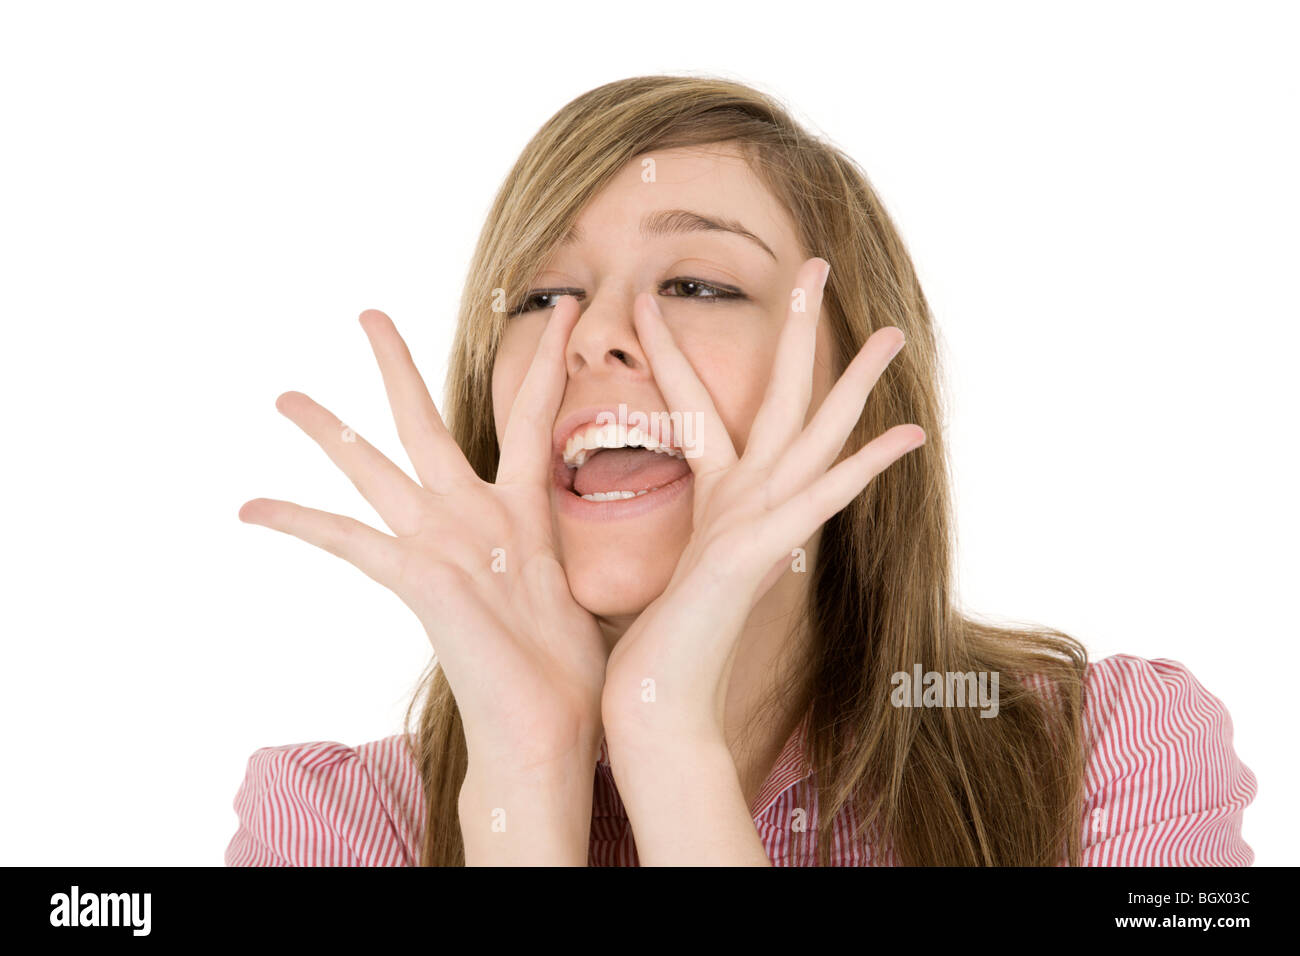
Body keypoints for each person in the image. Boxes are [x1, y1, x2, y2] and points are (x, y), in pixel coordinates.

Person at [226, 75, 1256, 866]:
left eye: (695, 281)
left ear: (854, 385)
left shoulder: (1113, 757)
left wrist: (668, 742)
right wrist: (527, 772)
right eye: (540, 297)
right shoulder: (332, 827)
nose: (590, 339)